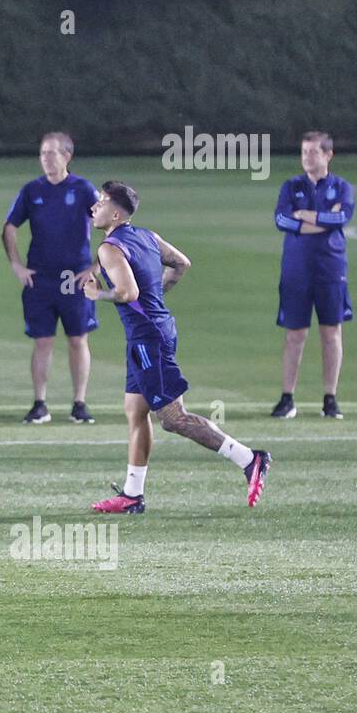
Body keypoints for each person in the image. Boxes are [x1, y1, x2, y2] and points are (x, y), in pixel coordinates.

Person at [83, 181, 271, 513]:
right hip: (154, 330)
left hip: (147, 339)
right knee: (136, 411)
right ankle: (132, 495)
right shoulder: (148, 236)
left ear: (115, 212)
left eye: (100, 202)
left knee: (172, 418)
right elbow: (181, 263)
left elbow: (127, 293)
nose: (93, 208)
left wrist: (95, 294)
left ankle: (249, 458)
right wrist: (157, 296)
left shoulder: (109, 248)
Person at [1, 132, 99, 424]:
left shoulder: (82, 189)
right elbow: (9, 227)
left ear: (67, 156)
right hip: (41, 278)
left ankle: (79, 402)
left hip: (74, 277)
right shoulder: (32, 190)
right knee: (42, 341)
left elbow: (109, 225)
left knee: (77, 339)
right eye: (43, 153)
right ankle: (40, 402)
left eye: (52, 153)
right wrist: (17, 265)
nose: (46, 158)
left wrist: (95, 267)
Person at [271, 131, 354, 420]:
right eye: (304, 151)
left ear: (328, 155)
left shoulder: (341, 187)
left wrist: (305, 216)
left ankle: (330, 399)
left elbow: (341, 218)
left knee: (331, 332)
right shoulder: (291, 186)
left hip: (331, 269)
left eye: (313, 152)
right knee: (295, 334)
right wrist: (322, 219)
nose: (307, 157)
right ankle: (287, 398)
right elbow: (281, 219)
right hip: (295, 269)